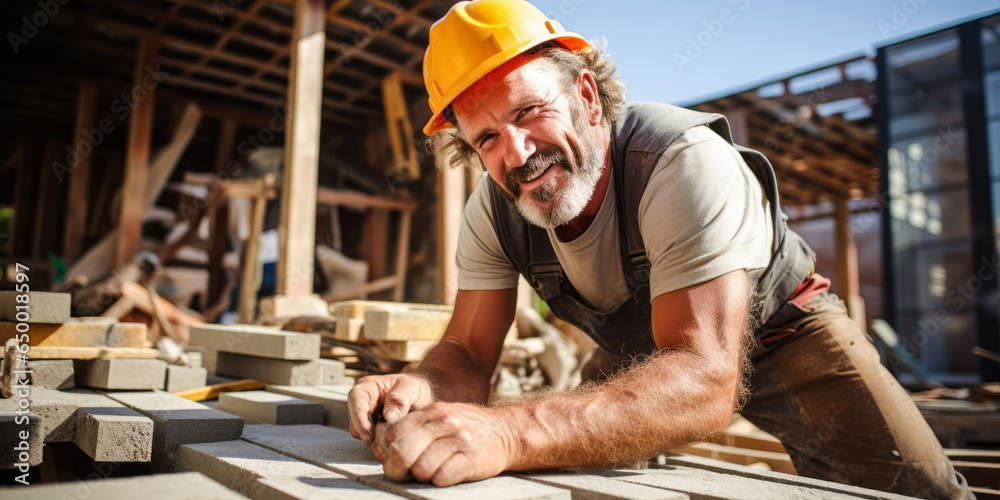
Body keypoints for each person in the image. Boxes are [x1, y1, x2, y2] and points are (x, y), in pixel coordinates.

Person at [347, 1, 972, 497]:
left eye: (530, 110)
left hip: (783, 333)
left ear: (587, 97)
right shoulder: (493, 209)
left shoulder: (681, 163)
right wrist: (420, 389)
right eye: (486, 138)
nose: (516, 154)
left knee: (919, 489)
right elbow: (465, 351)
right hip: (643, 351)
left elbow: (703, 379)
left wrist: (510, 432)